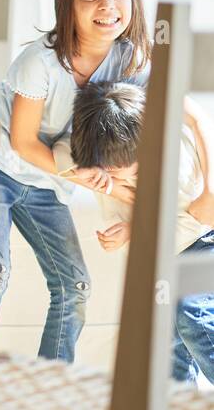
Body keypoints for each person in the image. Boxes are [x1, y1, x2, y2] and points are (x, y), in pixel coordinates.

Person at [0, 0, 152, 363]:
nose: (107, 7)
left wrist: (132, 213)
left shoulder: (132, 61)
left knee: (74, 286)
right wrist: (85, 177)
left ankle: (47, 389)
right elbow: (24, 142)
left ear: (133, 0)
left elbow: (131, 145)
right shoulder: (39, 61)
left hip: (48, 178)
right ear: (67, 6)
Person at [65, 81, 214, 383]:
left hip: (202, 242)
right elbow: (58, 153)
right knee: (166, 343)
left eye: (137, 169)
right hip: (161, 260)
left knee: (190, 314)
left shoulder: (176, 164)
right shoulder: (103, 172)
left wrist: (136, 228)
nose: (134, 179)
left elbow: (193, 221)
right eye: (121, 175)